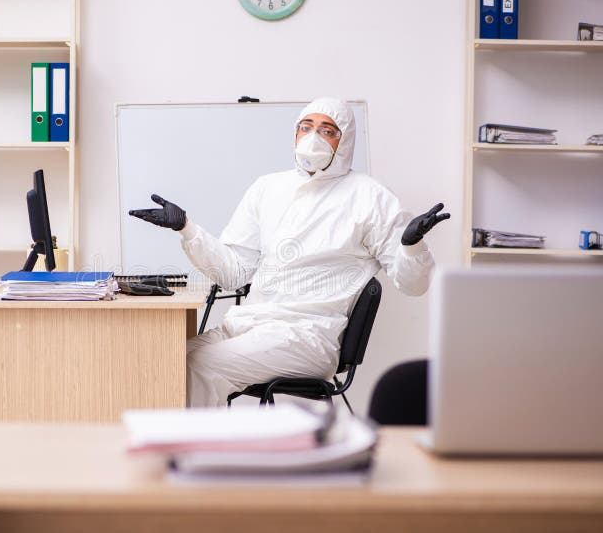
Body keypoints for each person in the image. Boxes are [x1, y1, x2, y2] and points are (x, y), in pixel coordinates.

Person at [129, 97, 449, 407]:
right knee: (163, 362)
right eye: (306, 127)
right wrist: (186, 228)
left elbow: (413, 285)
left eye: (327, 130)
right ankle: (159, 447)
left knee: (199, 367)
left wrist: (411, 246)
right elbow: (233, 273)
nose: (313, 137)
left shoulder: (370, 197)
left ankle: (192, 456)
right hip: (248, 326)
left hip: (307, 336)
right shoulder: (268, 188)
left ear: (345, 140)